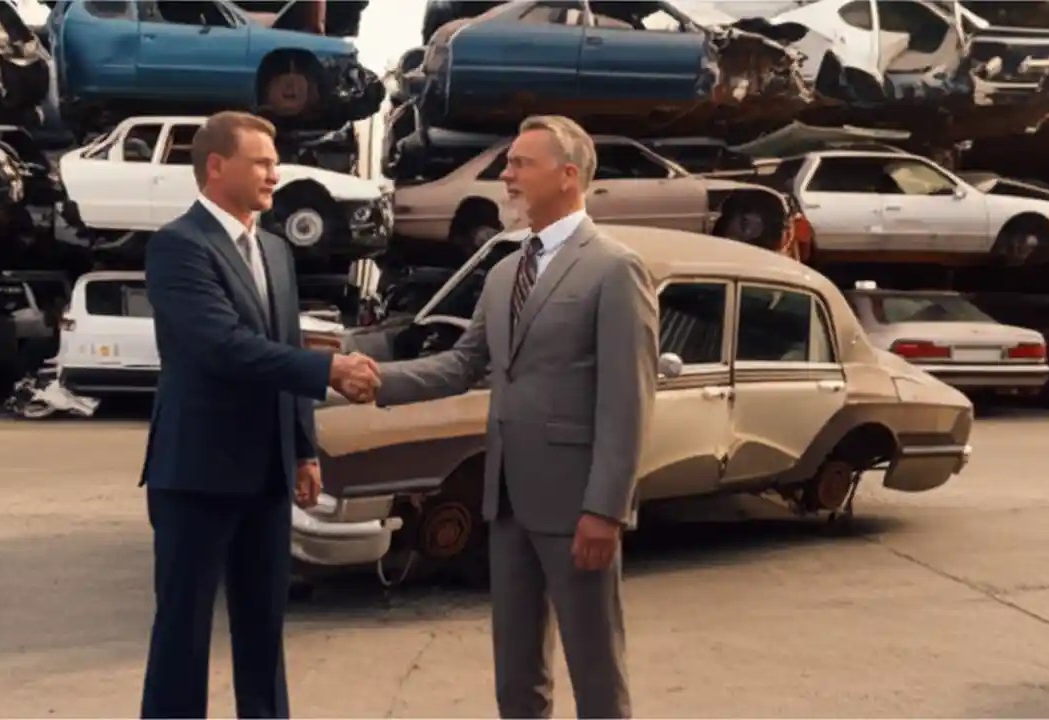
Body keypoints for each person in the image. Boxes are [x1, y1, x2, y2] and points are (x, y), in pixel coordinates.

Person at [367, 115, 659, 718]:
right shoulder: (505, 272)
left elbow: (627, 399)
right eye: (509, 164)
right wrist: (373, 381)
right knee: (517, 673)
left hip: (577, 505)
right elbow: (461, 364)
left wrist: (605, 508)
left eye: (521, 164)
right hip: (507, 500)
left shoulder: (614, 268)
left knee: (595, 667)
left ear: (568, 175)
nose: (507, 176)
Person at [138, 110, 380, 719]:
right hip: (195, 474)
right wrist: (330, 372)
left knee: (262, 627)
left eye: (275, 161)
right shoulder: (177, 246)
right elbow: (222, 345)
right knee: (184, 634)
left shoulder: (273, 249)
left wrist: (301, 447)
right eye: (263, 162)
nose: (276, 173)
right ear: (216, 166)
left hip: (267, 472)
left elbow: (284, 341)